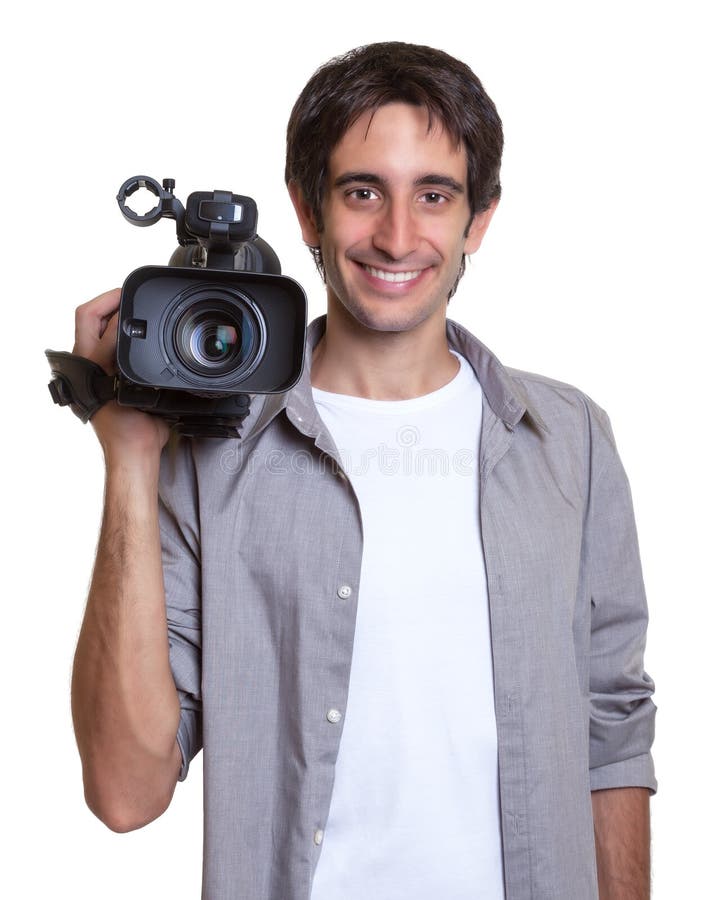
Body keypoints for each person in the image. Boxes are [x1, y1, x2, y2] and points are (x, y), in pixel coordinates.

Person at [70, 42, 656, 900]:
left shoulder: (571, 440)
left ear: (479, 219)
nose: (397, 236)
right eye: (362, 192)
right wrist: (127, 454)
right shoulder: (209, 457)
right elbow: (126, 793)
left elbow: (614, 731)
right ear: (307, 211)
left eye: (434, 195)